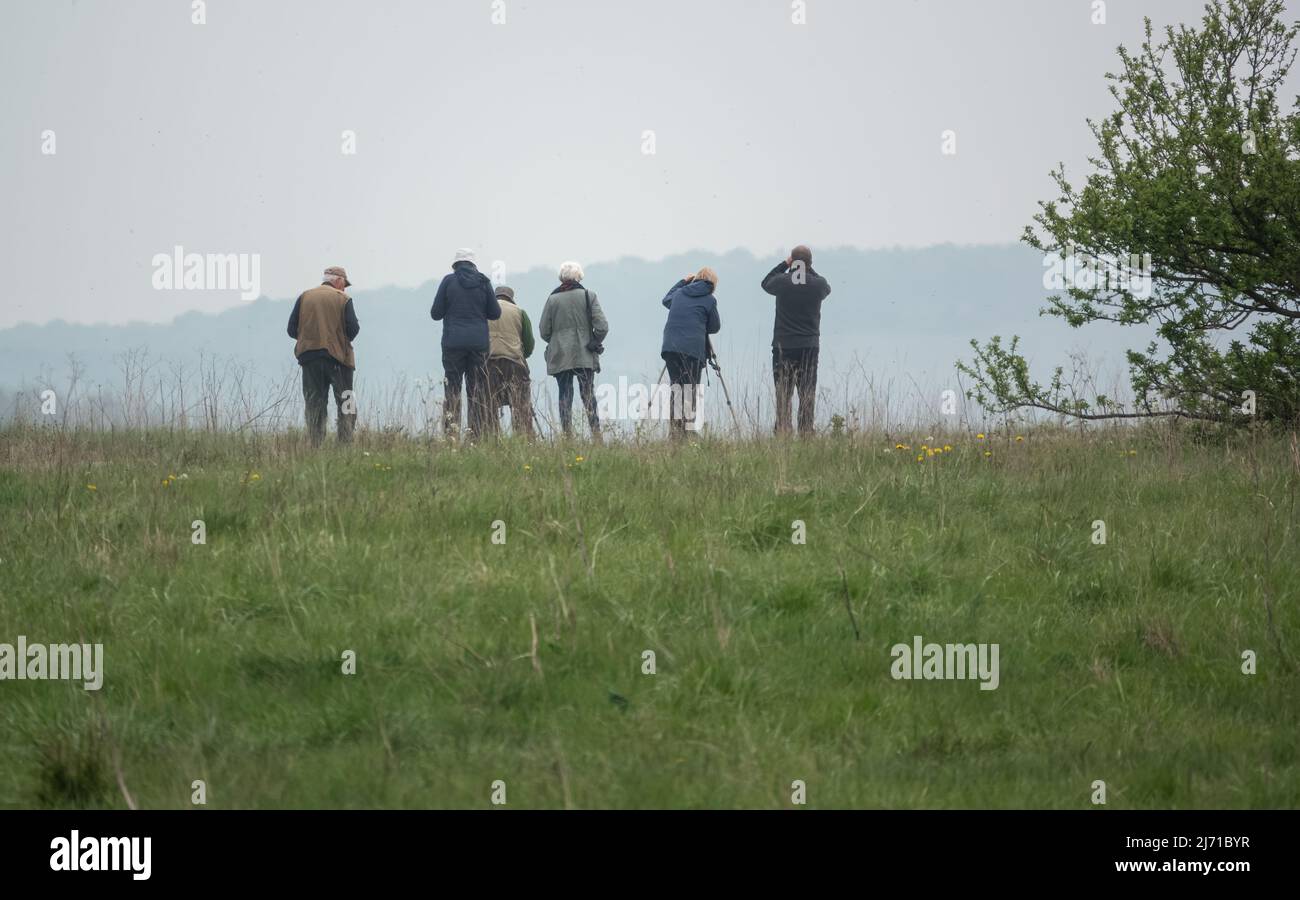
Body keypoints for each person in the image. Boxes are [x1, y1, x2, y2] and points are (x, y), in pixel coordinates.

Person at [761, 245, 832, 436]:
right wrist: (806, 269)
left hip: (783, 345)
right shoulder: (817, 285)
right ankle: (806, 431)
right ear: (810, 263)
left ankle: (783, 430)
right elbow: (827, 287)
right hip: (809, 346)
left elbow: (765, 282)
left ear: (793, 261)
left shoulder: (782, 282)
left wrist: (786, 264)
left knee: (783, 393)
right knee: (807, 391)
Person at [287, 265, 360, 447]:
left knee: (314, 403)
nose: (344, 288)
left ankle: (315, 444)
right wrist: (337, 340)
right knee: (346, 401)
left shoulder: (305, 296)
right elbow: (353, 329)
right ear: (338, 281)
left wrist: (310, 338)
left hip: (309, 358)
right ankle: (345, 443)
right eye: (344, 284)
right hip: (338, 359)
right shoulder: (343, 298)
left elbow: (291, 329)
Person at [430, 249, 501, 438]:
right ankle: (475, 435)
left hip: (453, 343)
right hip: (478, 345)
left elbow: (435, 313)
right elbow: (495, 313)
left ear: (456, 264)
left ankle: (451, 434)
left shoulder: (448, 281)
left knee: (452, 389)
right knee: (476, 390)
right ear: (473, 264)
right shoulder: (484, 282)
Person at [539, 261, 608, 439]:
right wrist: (594, 341)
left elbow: (544, 331)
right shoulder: (588, 295)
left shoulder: (552, 299)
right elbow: (602, 327)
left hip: (560, 354)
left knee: (565, 393)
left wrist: (557, 340)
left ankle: (567, 436)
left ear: (562, 278)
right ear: (579, 277)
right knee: (587, 393)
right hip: (585, 353)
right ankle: (597, 435)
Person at [659, 267, 721, 438]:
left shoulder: (679, 294)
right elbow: (715, 327)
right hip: (693, 350)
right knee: (690, 389)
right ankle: (688, 430)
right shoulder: (710, 300)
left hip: (671, 347)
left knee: (676, 388)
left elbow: (666, 300)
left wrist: (683, 281)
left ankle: (675, 431)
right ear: (712, 284)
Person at [483, 285, 536, 439]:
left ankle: (491, 438)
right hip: (514, 364)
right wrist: (521, 354)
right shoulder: (520, 312)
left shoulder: (483, 311)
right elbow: (529, 343)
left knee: (488, 406)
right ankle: (524, 438)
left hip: (489, 364)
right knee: (521, 406)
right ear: (511, 298)